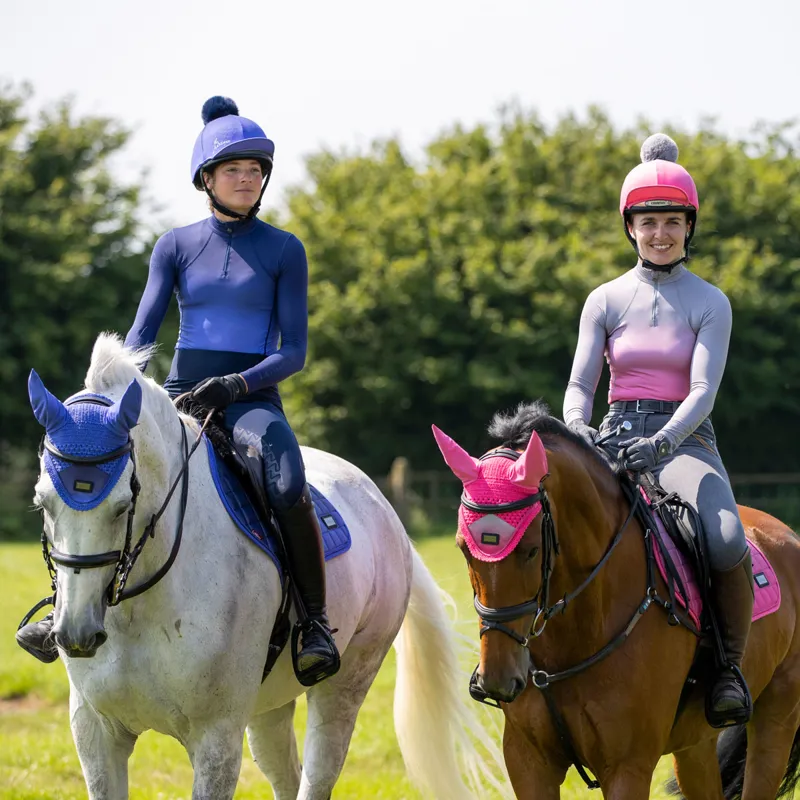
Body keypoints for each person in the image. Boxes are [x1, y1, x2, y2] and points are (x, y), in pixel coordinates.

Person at [17, 96, 340, 683]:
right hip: (179, 396)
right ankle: (61, 608)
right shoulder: (173, 245)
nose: (247, 179)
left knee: (288, 480)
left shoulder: (285, 250)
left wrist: (236, 384)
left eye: (256, 171)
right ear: (206, 180)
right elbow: (139, 336)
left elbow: (293, 351)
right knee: (101, 479)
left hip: (250, 400)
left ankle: (314, 621)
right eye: (233, 171)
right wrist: (102, 394)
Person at [562, 133, 753, 727]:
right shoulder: (604, 299)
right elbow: (579, 384)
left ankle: (728, 668)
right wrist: (577, 429)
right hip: (612, 436)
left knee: (723, 538)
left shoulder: (710, 302)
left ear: (688, 227)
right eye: (648, 222)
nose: (660, 233)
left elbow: (701, 391)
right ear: (630, 227)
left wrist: (663, 442)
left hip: (684, 442)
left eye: (672, 221)